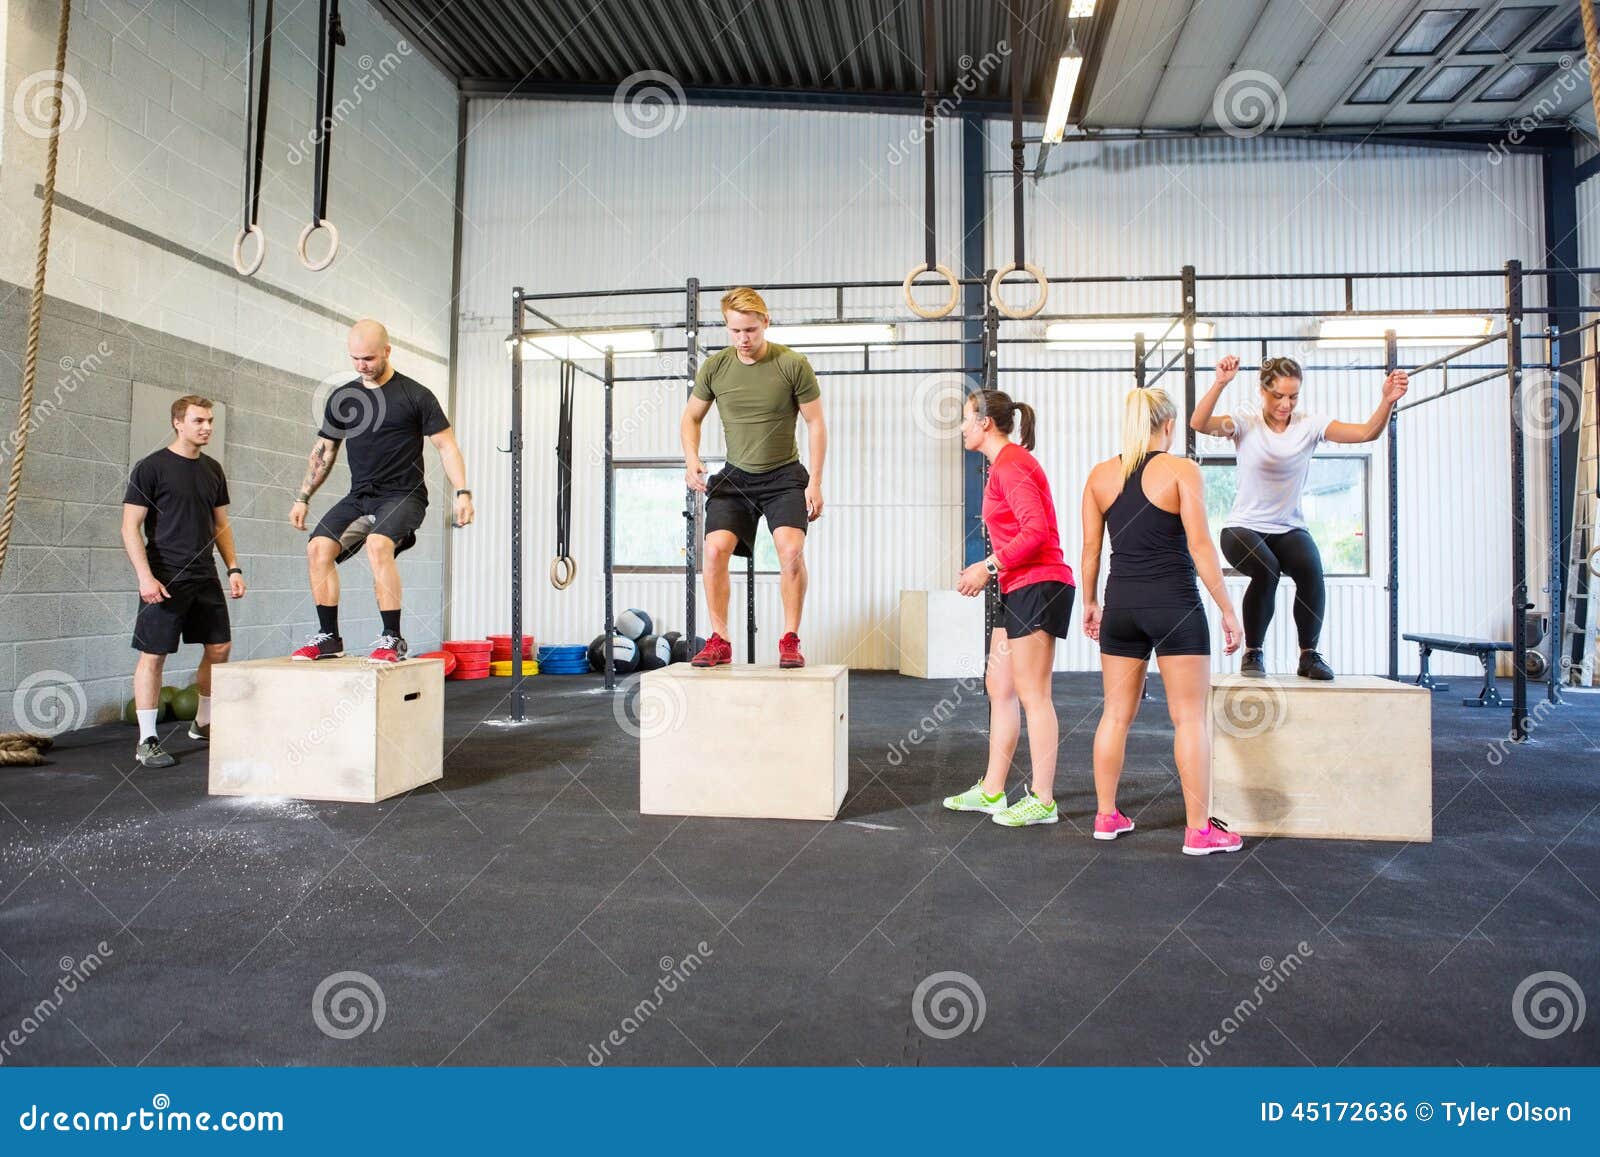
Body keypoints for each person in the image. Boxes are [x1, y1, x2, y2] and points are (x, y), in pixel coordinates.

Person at [1080, 387, 1244, 855]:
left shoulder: (1099, 476)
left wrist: (1089, 602)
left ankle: (1106, 815)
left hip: (1122, 607)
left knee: (1115, 715)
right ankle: (1198, 830)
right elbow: (1200, 547)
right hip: (1175, 605)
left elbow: (1091, 551)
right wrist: (1228, 610)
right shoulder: (1180, 470)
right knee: (1189, 718)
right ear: (1168, 424)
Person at [1191, 354, 1408, 679]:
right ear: (1263, 392)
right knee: (1267, 570)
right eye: (1278, 396)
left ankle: (1308, 656)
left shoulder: (1310, 424)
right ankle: (1253, 653)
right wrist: (1220, 383)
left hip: (1289, 528)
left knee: (1311, 570)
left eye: (1293, 396)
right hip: (1242, 529)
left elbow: (1366, 434)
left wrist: (1387, 401)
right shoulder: (1244, 421)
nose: (1285, 404)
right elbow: (1199, 423)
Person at [289, 320, 473, 662]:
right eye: (355, 358)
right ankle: (329, 637)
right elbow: (324, 451)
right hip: (360, 496)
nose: (362, 365)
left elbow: (446, 446)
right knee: (317, 549)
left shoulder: (415, 395)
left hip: (404, 495)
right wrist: (303, 496)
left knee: (377, 544)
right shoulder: (344, 397)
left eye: (369, 358)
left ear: (387, 351)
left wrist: (463, 491)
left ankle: (392, 638)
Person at [942, 389, 1075, 828]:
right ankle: (993, 791)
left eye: (966, 419)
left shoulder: (1013, 464)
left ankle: (1043, 799)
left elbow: (1036, 530)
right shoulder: (1002, 466)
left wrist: (987, 565)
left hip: (1039, 583)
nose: (961, 428)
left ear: (985, 423)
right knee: (999, 684)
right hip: (1016, 584)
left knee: (1034, 693)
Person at [681, 287, 827, 668]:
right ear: (727, 328)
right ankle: (720, 639)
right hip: (735, 478)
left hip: (784, 476)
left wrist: (815, 482)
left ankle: (790, 639)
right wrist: (691, 457)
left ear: (766, 323)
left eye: (750, 330)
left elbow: (815, 423)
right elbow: (691, 417)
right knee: (713, 550)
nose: (743, 339)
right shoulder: (715, 367)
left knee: (791, 552)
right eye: (735, 331)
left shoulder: (792, 364)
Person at [121, 396, 246, 768]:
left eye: (209, 421)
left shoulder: (212, 469)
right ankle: (147, 739)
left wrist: (234, 568)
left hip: (204, 572)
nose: (206, 427)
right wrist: (145, 577)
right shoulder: (152, 468)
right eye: (198, 421)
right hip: (164, 574)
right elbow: (130, 527)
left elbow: (220, 523)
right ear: (178, 422)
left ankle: (203, 722)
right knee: (154, 655)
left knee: (220, 648)